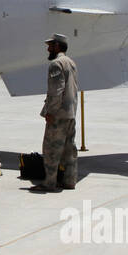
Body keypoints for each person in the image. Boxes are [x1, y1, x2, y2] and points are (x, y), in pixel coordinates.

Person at [37, 33, 79, 191]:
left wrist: (51, 112)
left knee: (51, 150)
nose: (48, 48)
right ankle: (69, 181)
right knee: (69, 150)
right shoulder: (71, 63)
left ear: (57, 46)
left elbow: (56, 91)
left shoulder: (56, 64)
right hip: (70, 114)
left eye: (50, 45)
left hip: (59, 116)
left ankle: (49, 183)